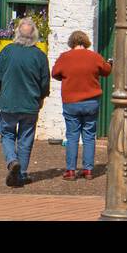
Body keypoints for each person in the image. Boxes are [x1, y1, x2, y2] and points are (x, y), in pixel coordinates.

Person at [0, 17, 51, 187]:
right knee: (26, 138)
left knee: (7, 134)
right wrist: (42, 97)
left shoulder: (7, 51)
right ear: (35, 36)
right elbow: (45, 82)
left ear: (17, 34)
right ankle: (21, 174)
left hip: (9, 101)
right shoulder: (39, 56)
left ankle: (12, 161)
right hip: (30, 103)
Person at [51, 30, 112, 180]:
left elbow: (55, 73)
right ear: (86, 42)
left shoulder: (65, 57)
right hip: (91, 102)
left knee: (72, 136)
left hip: (71, 102)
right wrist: (110, 62)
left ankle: (71, 170)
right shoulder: (94, 57)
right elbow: (106, 70)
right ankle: (88, 169)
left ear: (71, 42)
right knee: (89, 136)